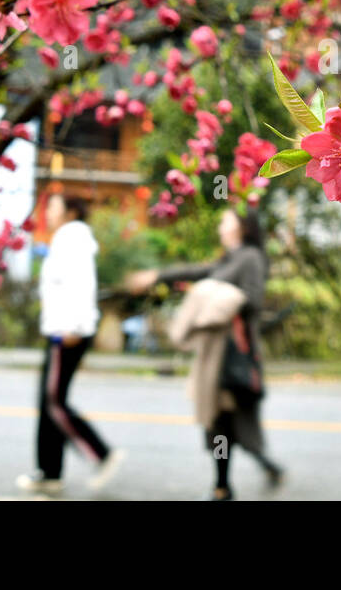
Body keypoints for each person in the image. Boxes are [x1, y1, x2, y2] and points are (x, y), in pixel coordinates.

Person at [127, 208, 284, 501]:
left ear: (242, 227)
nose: (221, 226)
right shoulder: (229, 259)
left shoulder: (250, 258)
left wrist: (214, 296)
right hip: (216, 352)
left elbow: (253, 300)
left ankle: (227, 484)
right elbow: (193, 271)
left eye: (225, 221)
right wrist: (157, 276)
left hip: (237, 352)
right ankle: (231, 481)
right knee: (221, 419)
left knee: (231, 419)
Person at [16, 194, 125, 495]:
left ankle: (101, 454)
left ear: (71, 212)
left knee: (53, 402)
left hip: (67, 332)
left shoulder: (72, 238)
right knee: (49, 402)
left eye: (53, 207)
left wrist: (72, 327)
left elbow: (80, 286)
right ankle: (49, 473)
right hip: (61, 330)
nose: (48, 213)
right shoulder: (67, 238)